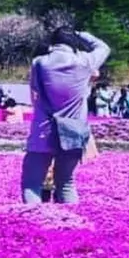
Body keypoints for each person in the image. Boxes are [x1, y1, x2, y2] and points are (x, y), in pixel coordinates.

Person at [21, 27, 110, 205]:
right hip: (73, 131)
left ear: (53, 42)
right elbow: (104, 48)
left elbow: (35, 92)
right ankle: (68, 227)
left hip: (43, 130)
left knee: (32, 185)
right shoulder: (85, 61)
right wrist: (82, 34)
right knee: (66, 184)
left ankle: (35, 226)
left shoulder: (40, 63)